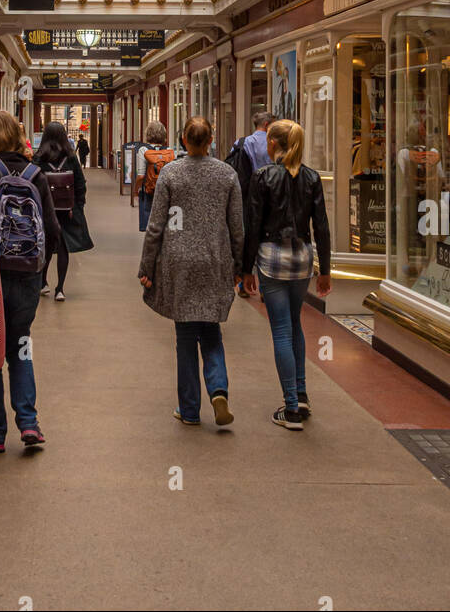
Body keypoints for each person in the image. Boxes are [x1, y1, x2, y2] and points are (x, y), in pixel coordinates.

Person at [138, 116, 243, 428]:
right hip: (215, 259)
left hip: (179, 261)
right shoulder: (227, 175)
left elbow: (156, 225)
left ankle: (189, 409)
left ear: (184, 139)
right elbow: (237, 226)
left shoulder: (171, 173)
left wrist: (147, 266)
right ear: (210, 140)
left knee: (185, 337)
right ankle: (219, 389)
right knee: (211, 331)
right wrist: (239, 265)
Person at [0, 110, 61, 452]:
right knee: (21, 346)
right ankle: (29, 423)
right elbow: (52, 230)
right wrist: (40, 270)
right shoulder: (35, 174)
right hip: (27, 275)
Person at [244, 119, 331, 430]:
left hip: (272, 257)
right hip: (303, 258)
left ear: (272, 144)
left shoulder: (263, 177)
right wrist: (326, 270)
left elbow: (253, 225)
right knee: (295, 324)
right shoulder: (311, 178)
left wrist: (245, 268)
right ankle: (302, 394)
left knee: (280, 330)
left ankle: (291, 407)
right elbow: (321, 225)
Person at [35, 120, 92, 299]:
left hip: (46, 210)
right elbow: (80, 184)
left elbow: (33, 184)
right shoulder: (71, 158)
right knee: (63, 248)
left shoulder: (39, 158)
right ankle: (60, 288)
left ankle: (43, 282)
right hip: (67, 210)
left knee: (46, 245)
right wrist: (77, 207)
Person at [226, 109, 273, 296]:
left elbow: (232, 168)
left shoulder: (242, 143)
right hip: (269, 195)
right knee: (264, 238)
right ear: (268, 125)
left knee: (246, 237)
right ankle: (264, 287)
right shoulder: (274, 143)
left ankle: (242, 283)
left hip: (246, 196)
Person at [135, 119, 175, 233]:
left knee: (149, 225)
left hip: (148, 190)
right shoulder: (169, 151)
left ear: (148, 134)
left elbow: (141, 176)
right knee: (165, 222)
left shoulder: (143, 150)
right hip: (166, 191)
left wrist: (135, 190)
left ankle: (152, 244)